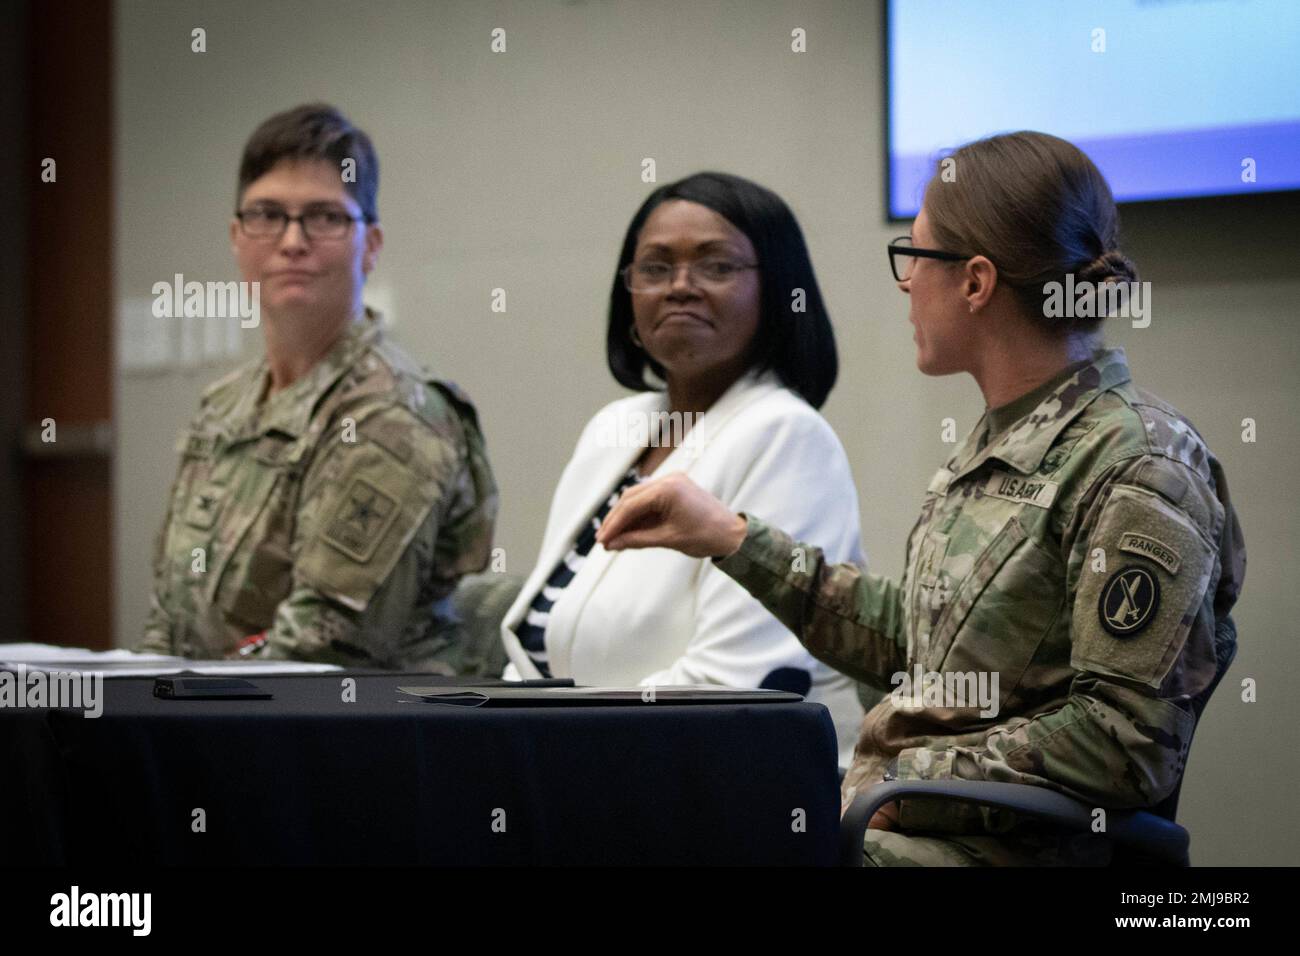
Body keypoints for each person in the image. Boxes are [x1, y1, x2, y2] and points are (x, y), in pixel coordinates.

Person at [597, 132, 1247, 865]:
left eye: (915, 257)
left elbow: (1125, 741)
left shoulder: (1140, 464)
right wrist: (731, 537)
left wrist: (903, 780)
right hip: (908, 830)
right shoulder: (1001, 444)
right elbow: (918, 652)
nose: (905, 283)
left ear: (974, 283)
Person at [500, 172, 866, 764]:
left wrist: (542, 753)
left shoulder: (787, 435)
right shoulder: (613, 429)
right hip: (586, 772)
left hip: (728, 786)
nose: (680, 286)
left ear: (778, 291)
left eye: (716, 266)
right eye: (655, 267)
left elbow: (736, 690)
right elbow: (533, 661)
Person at [139, 103, 497, 668]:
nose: (292, 241)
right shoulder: (222, 406)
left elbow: (322, 649)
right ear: (237, 238)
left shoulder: (395, 415)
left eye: (325, 217)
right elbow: (169, 617)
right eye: (267, 215)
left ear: (371, 244)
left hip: (344, 740)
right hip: (208, 726)